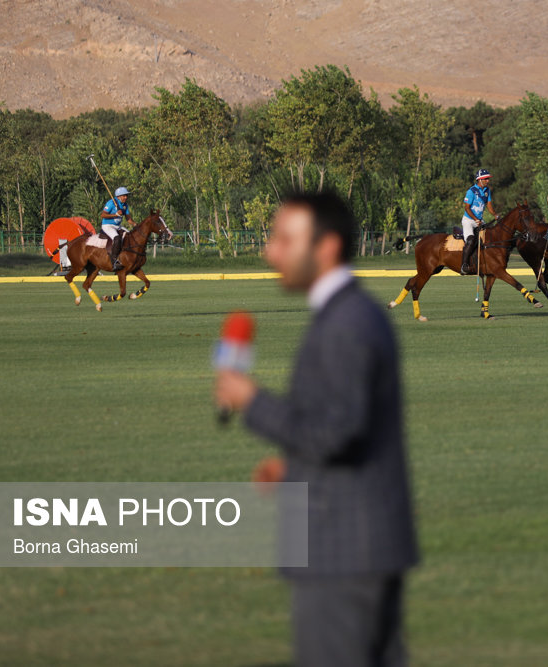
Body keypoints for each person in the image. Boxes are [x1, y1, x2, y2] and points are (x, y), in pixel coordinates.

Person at [214, 192, 419, 667]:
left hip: (342, 552)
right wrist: (294, 470)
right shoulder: (349, 315)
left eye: (284, 239)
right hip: (361, 544)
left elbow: (335, 433)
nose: (271, 252)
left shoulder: (345, 322)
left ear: (325, 246)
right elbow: (350, 428)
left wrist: (252, 401)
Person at [460, 168, 499, 275]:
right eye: (486, 179)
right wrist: (475, 219)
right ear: (480, 180)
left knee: (490, 237)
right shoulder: (471, 191)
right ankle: (464, 265)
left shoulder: (487, 191)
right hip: (469, 220)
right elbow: (467, 208)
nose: (488, 181)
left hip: (480, 221)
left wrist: (495, 215)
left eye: (488, 179)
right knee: (471, 240)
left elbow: (489, 206)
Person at [99, 186, 133, 271]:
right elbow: (102, 215)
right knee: (117, 238)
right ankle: (113, 261)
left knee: (130, 237)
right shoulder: (111, 203)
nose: (126, 197)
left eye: (126, 195)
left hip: (118, 226)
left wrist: (136, 225)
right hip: (108, 225)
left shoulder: (125, 205)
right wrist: (116, 215)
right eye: (124, 195)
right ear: (118, 196)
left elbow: (129, 219)